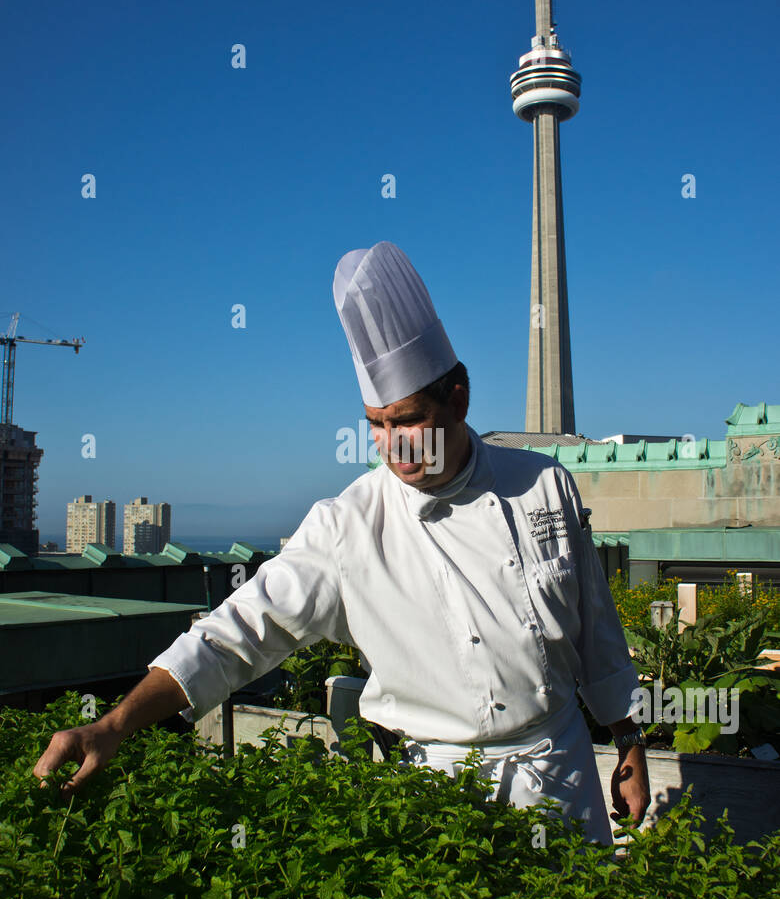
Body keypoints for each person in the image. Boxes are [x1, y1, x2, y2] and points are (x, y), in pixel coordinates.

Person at [33, 240, 650, 845]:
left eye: (407, 419)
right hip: (429, 799)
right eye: (376, 425)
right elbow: (235, 634)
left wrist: (628, 740)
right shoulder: (346, 525)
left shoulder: (544, 486)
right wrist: (115, 724)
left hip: (557, 778)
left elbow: (597, 630)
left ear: (458, 394)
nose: (393, 445)